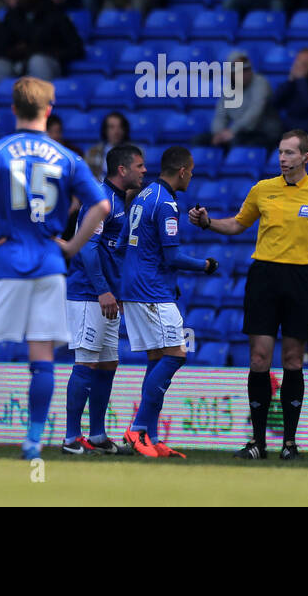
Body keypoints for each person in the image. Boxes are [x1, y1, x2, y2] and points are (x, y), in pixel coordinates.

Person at [0, 77, 111, 459]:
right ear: (48, 112)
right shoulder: (68, 157)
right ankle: (32, 442)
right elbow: (101, 206)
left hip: (5, 263)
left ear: (13, 109)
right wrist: (70, 247)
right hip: (49, 265)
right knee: (41, 357)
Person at [188, 129, 308, 461]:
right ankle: (257, 442)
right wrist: (208, 223)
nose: (283, 158)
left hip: (302, 278)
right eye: (280, 152)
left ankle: (290, 443)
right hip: (264, 275)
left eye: (290, 153)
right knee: (259, 358)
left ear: (306, 158)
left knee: (293, 359)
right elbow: (238, 225)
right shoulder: (262, 189)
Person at [119, 146, 219, 457]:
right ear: (183, 171)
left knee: (156, 358)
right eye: (191, 171)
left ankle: (149, 436)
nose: (192, 176)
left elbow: (124, 242)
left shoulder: (143, 195)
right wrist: (206, 265)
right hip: (150, 290)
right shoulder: (166, 203)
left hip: (135, 286)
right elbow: (172, 255)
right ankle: (136, 429)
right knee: (177, 354)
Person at [61, 143, 145, 454]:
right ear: (122, 170)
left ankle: (97, 434)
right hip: (89, 294)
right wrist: (102, 290)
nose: (144, 170)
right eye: (139, 166)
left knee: (108, 364)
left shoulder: (119, 200)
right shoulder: (100, 201)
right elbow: (86, 247)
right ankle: (71, 438)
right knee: (85, 363)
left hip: (107, 296)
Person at [0, 0, 84, 86]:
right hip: (17, 63)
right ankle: (5, 100)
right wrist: (13, 51)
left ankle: (39, 101)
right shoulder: (13, 15)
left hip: (47, 62)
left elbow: (76, 48)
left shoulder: (55, 14)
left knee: (37, 61)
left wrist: (46, 51)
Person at [85, 111, 131, 179]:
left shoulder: (134, 153)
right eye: (111, 127)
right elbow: (87, 179)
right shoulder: (92, 152)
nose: (116, 131)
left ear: (125, 130)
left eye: (120, 127)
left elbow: (135, 181)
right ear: (105, 130)